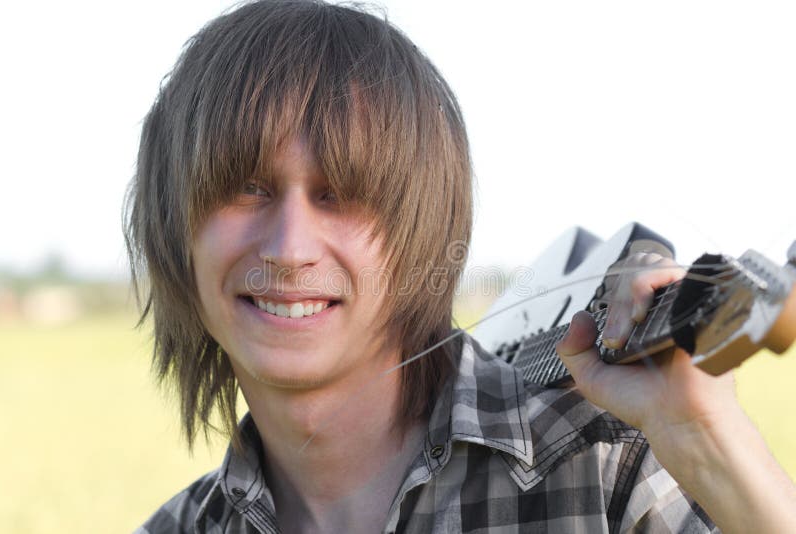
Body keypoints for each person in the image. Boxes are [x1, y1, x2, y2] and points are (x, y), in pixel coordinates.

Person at [124, 1, 796, 532]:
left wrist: (707, 440)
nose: (290, 247)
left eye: (342, 196)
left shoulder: (603, 465)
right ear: (173, 230)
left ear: (424, 232)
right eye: (248, 189)